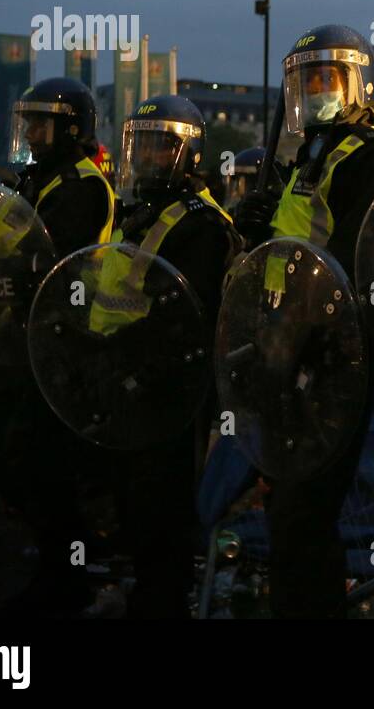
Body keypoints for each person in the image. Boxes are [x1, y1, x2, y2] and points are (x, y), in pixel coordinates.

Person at [233, 23, 374, 618]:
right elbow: (290, 253)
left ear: (355, 82)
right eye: (305, 79)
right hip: (288, 350)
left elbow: (360, 261)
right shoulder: (305, 158)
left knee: (304, 510)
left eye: (326, 77)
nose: (314, 89)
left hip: (336, 357)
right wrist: (255, 230)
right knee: (291, 511)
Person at [102, 94, 241, 617]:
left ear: (190, 155)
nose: (147, 157)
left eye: (162, 147)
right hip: (121, 377)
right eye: (141, 145)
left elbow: (189, 313)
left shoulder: (201, 223)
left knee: (163, 501)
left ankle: (162, 600)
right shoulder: (137, 213)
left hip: (171, 388)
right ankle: (142, 588)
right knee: (131, 499)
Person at [0, 76, 117, 616]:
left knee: (49, 469)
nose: (30, 133)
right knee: (28, 464)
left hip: (65, 336)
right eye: (27, 123)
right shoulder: (36, 179)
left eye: (40, 124)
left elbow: (44, 257)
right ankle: (58, 570)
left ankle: (66, 581)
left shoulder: (80, 183)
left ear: (70, 129)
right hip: (29, 333)